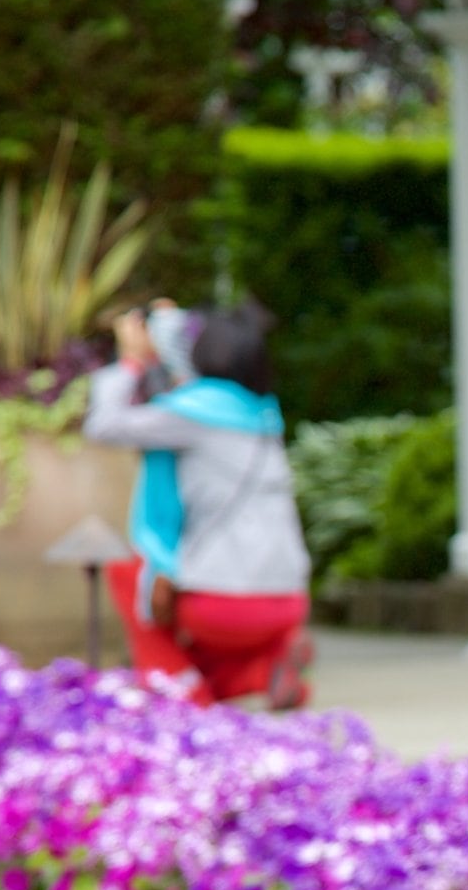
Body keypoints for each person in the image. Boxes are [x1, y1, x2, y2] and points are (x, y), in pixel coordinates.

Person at [85, 303, 315, 708]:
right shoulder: (262, 414)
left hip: (224, 606)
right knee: (205, 658)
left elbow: (103, 425)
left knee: (130, 573)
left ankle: (180, 694)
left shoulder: (193, 415)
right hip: (289, 602)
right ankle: (265, 669)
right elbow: (182, 376)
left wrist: (132, 361)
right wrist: (170, 326)